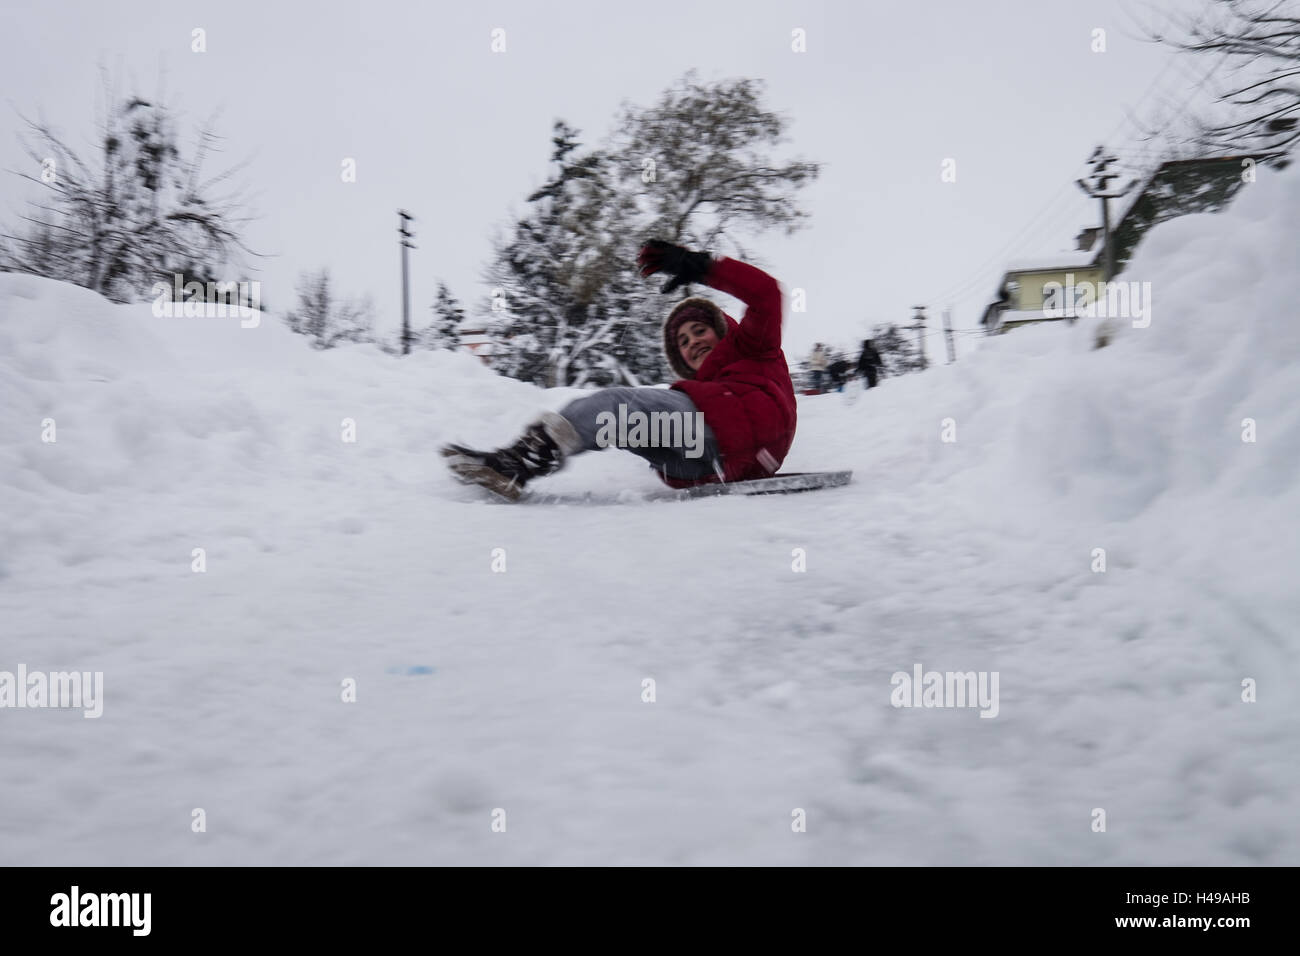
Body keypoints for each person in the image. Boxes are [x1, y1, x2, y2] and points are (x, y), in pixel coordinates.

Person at [441, 239, 797, 500]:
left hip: (736, 435)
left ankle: (515, 463)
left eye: (699, 331)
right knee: (613, 424)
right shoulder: (708, 385)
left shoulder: (753, 345)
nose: (692, 343)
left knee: (614, 406)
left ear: (720, 329)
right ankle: (521, 464)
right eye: (684, 342)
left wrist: (699, 265)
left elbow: (767, 293)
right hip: (706, 463)